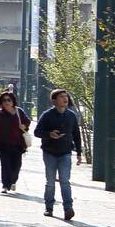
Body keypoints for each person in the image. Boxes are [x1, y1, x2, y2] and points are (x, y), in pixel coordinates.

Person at [33, 88, 84, 220]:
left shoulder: (71, 115)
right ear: (54, 100)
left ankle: (68, 208)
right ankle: (49, 207)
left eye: (66, 96)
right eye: (61, 97)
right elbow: (37, 132)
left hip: (65, 153)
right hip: (49, 152)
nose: (65, 99)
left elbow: (77, 135)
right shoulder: (47, 115)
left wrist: (79, 152)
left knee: (65, 181)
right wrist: (49, 134)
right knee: (50, 181)